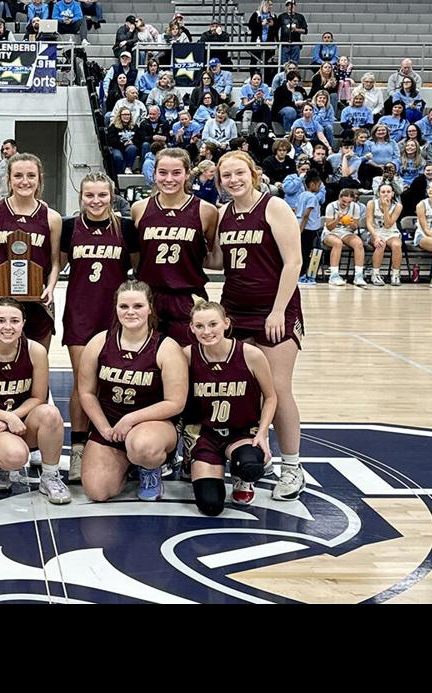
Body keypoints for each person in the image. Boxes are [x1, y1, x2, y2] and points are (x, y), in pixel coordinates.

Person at [211, 150, 305, 500]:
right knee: (240, 390)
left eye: (239, 173)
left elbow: (293, 262)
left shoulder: (274, 207)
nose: (233, 180)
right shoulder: (223, 214)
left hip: (274, 309)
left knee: (277, 390)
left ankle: (293, 467)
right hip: (235, 310)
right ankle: (249, 458)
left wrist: (279, 310)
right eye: (226, 176)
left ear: (253, 173)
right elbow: (218, 261)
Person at [76, 280, 186, 502]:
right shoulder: (99, 342)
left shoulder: (166, 347)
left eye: (138, 306)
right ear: (115, 308)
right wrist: (104, 428)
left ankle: (150, 468)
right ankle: (129, 463)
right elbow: (86, 393)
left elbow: (175, 403)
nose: (130, 312)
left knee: (143, 446)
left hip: (152, 425)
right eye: (124, 306)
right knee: (97, 491)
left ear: (150, 308)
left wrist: (130, 419)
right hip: (112, 425)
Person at [61, 173, 135, 482]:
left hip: (118, 317)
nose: (95, 201)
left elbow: (139, 271)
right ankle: (78, 448)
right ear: (81, 198)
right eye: (89, 195)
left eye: (102, 195)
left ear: (112, 196)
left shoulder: (126, 228)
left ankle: (117, 443)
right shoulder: (69, 228)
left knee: (117, 381)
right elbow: (56, 265)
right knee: (83, 383)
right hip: (80, 314)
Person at [0, 297, 71, 503]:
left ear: (23, 323)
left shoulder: (35, 350)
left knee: (51, 413)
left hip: (21, 422)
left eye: (14, 321)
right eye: (1, 321)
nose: (8, 327)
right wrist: (4, 418)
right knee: (15, 457)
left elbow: (39, 397)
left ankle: (50, 476)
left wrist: (9, 418)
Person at [182, 300, 278, 512]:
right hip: (205, 435)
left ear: (226, 323)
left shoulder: (250, 354)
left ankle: (241, 477)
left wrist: (262, 434)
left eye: (213, 324)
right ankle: (197, 462)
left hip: (241, 433)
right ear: (191, 328)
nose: (207, 331)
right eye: (199, 326)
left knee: (250, 466)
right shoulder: (187, 355)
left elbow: (271, 397)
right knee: (210, 505)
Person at [0, 153, 64, 350]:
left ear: (40, 177)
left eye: (31, 175)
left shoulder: (52, 218)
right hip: (0, 299)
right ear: (8, 179)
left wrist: (50, 287)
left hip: (39, 300)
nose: (25, 181)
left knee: (37, 361)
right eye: (18, 176)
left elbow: (55, 261)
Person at [130, 147, 218, 344]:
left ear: (187, 174)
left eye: (176, 173)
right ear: (154, 174)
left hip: (187, 295)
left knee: (186, 361)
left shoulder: (206, 211)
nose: (169, 179)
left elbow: (209, 253)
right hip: (149, 295)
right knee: (148, 362)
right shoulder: (139, 209)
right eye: (162, 173)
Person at [322, 186, 366, 286]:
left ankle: (358, 276)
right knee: (338, 243)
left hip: (346, 232)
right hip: (331, 233)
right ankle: (333, 276)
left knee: (359, 243)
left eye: (349, 202)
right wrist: (337, 219)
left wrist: (350, 224)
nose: (346, 204)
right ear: (339, 197)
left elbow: (354, 228)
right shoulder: (331, 206)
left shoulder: (356, 207)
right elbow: (329, 227)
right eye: (343, 201)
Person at [363, 183, 404, 286]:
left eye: (388, 192)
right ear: (378, 193)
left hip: (391, 232)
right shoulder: (371, 203)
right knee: (381, 244)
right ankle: (375, 274)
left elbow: (388, 225)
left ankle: (395, 274)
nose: (386, 194)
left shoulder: (398, 206)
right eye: (383, 192)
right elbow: (368, 223)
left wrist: (386, 209)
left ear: (393, 194)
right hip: (375, 231)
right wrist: (376, 237)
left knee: (397, 245)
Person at [106, 106, 144, 174]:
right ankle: (118, 173)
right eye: (124, 114)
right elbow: (111, 141)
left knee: (132, 148)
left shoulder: (134, 126)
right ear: (120, 116)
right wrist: (123, 144)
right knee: (118, 156)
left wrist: (132, 142)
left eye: (128, 114)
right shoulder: (113, 127)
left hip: (130, 147)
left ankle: (128, 167)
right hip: (117, 147)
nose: (126, 116)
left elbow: (139, 139)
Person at [277, 0, 306, 64]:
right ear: (286, 7)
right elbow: (276, 29)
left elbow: (305, 31)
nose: (290, 7)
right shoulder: (281, 16)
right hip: (284, 43)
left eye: (292, 5)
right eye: (288, 5)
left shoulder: (300, 17)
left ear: (295, 6)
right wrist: (277, 41)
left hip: (296, 43)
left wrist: (296, 30)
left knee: (294, 63)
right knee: (284, 64)